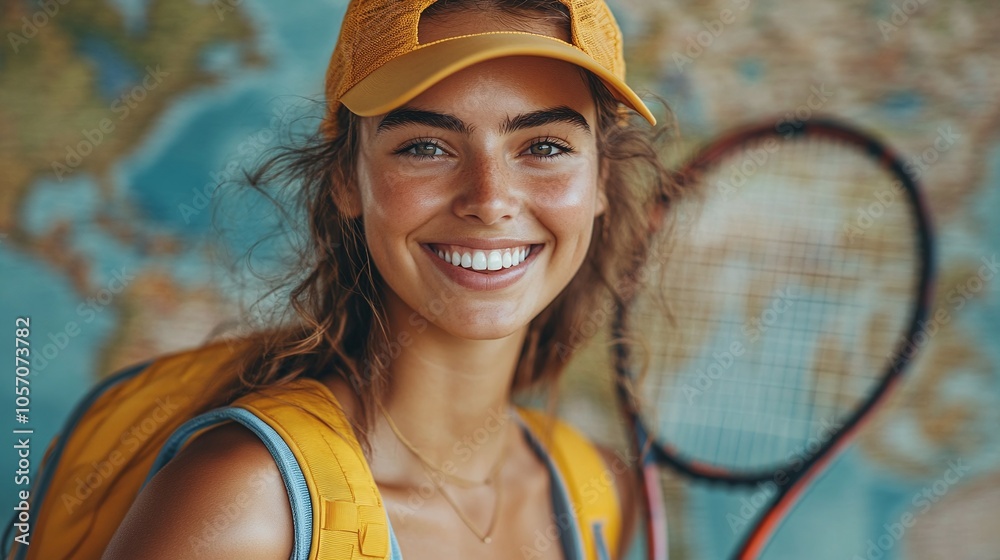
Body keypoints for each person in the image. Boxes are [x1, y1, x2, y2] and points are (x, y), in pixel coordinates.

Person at [101, 0, 676, 558]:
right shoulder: (246, 504)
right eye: (426, 147)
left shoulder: (596, 493)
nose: (490, 200)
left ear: (600, 180)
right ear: (346, 181)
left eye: (545, 146)